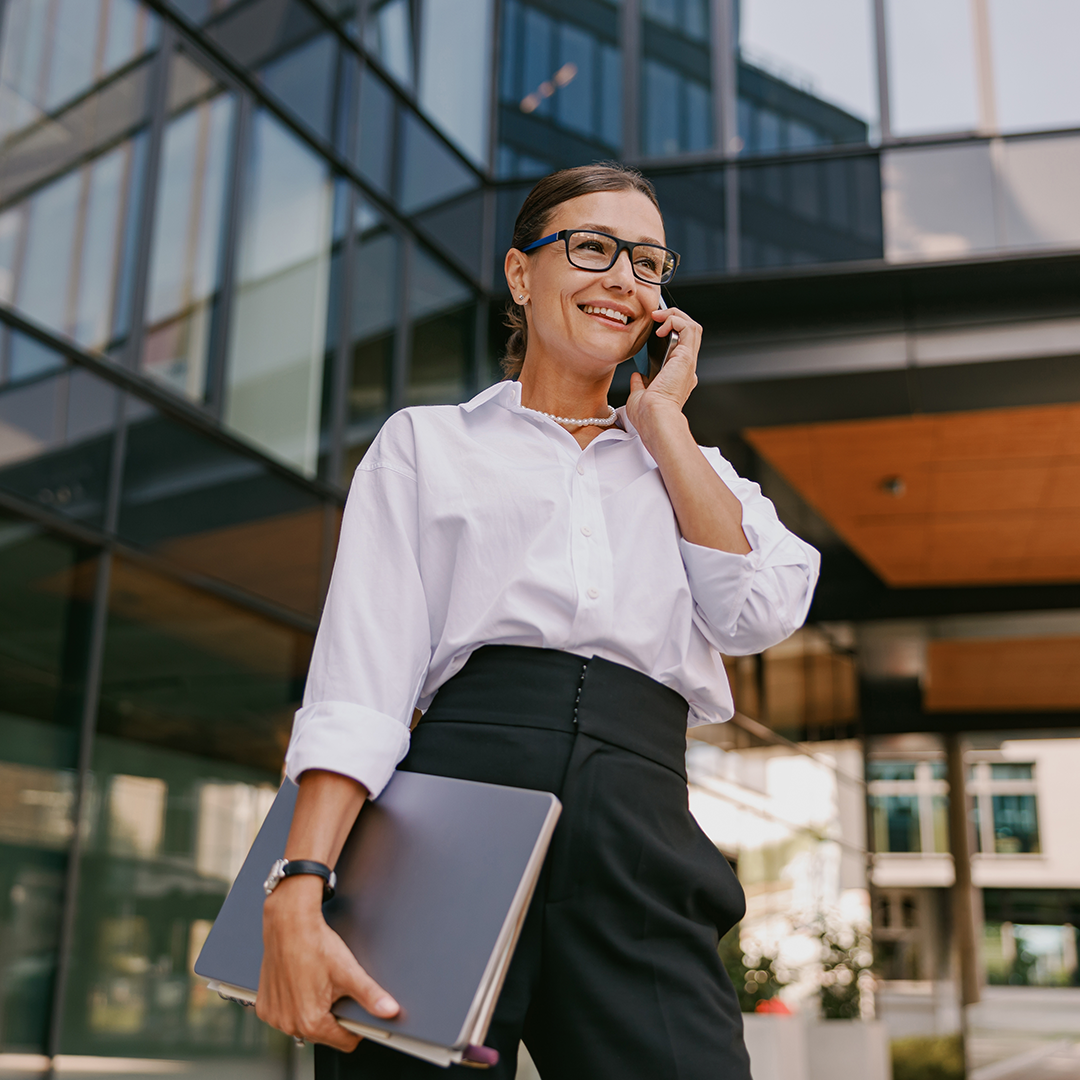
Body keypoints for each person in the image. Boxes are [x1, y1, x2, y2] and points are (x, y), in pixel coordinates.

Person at [255, 163, 820, 1079]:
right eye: (592, 247)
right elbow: (361, 683)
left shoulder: (698, 472)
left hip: (641, 826)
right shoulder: (425, 445)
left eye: (647, 262)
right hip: (446, 815)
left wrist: (664, 423)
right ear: (522, 275)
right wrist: (301, 883)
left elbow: (755, 611)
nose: (622, 278)